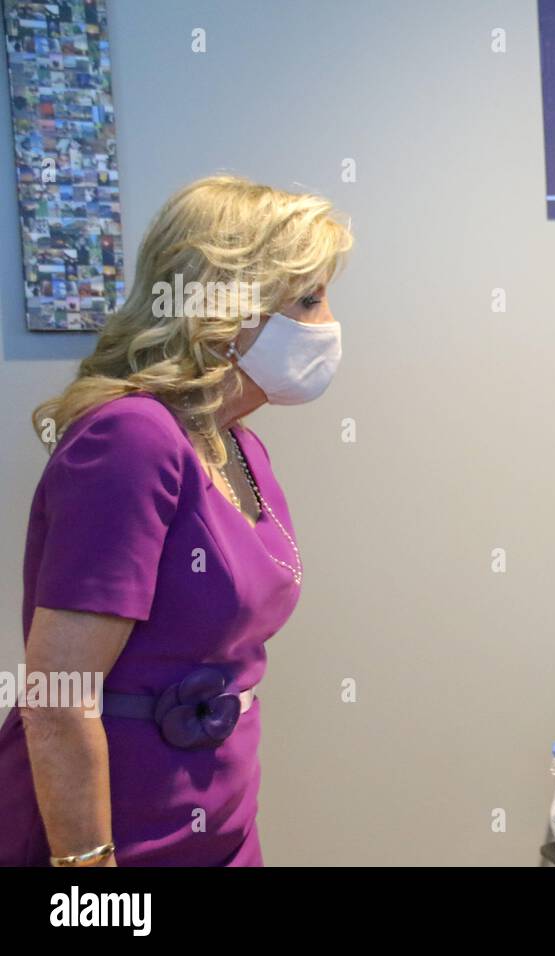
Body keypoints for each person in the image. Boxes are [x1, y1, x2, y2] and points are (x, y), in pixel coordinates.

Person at [0, 175, 352, 866]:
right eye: (308, 298)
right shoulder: (130, 437)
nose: (328, 321)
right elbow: (58, 694)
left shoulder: (238, 444)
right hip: (114, 829)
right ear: (225, 311)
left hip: (218, 816)